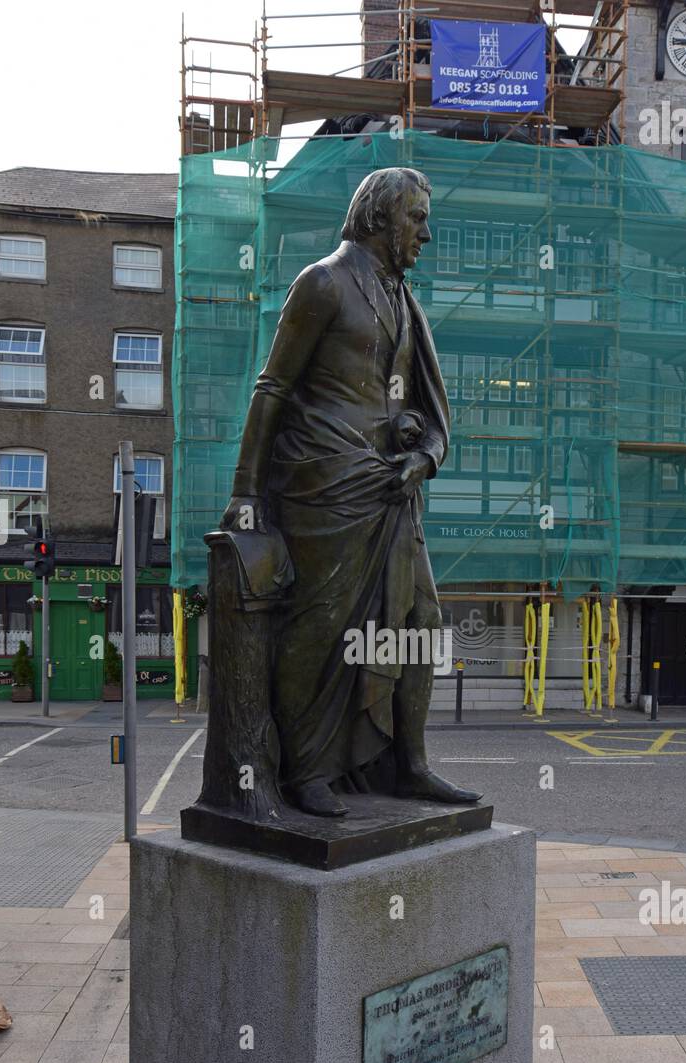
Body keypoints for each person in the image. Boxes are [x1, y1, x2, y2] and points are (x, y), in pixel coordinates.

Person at [220, 167, 480, 818]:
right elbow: (273, 387)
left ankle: (409, 764)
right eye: (416, 218)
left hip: (389, 488)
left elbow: (421, 401)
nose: (426, 231)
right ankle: (306, 770)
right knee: (321, 626)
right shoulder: (322, 284)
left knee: (419, 620)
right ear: (378, 219)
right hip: (322, 482)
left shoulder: (402, 299)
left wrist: (424, 451)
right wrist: (246, 492)